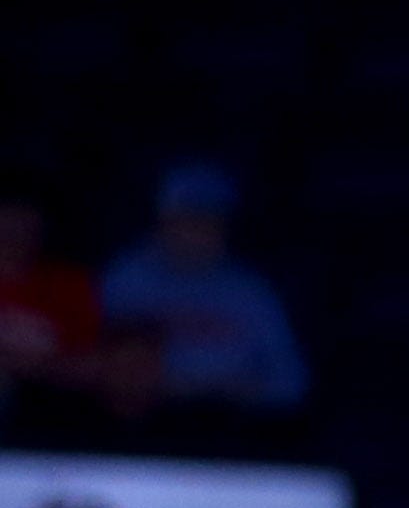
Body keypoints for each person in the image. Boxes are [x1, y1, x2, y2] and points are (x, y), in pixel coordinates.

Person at [95, 170, 300, 412]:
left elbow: (291, 380)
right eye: (187, 218)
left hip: (229, 425)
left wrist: (241, 392)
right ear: (162, 220)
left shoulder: (250, 291)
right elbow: (90, 363)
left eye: (208, 220)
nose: (197, 230)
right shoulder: (125, 278)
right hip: (140, 422)